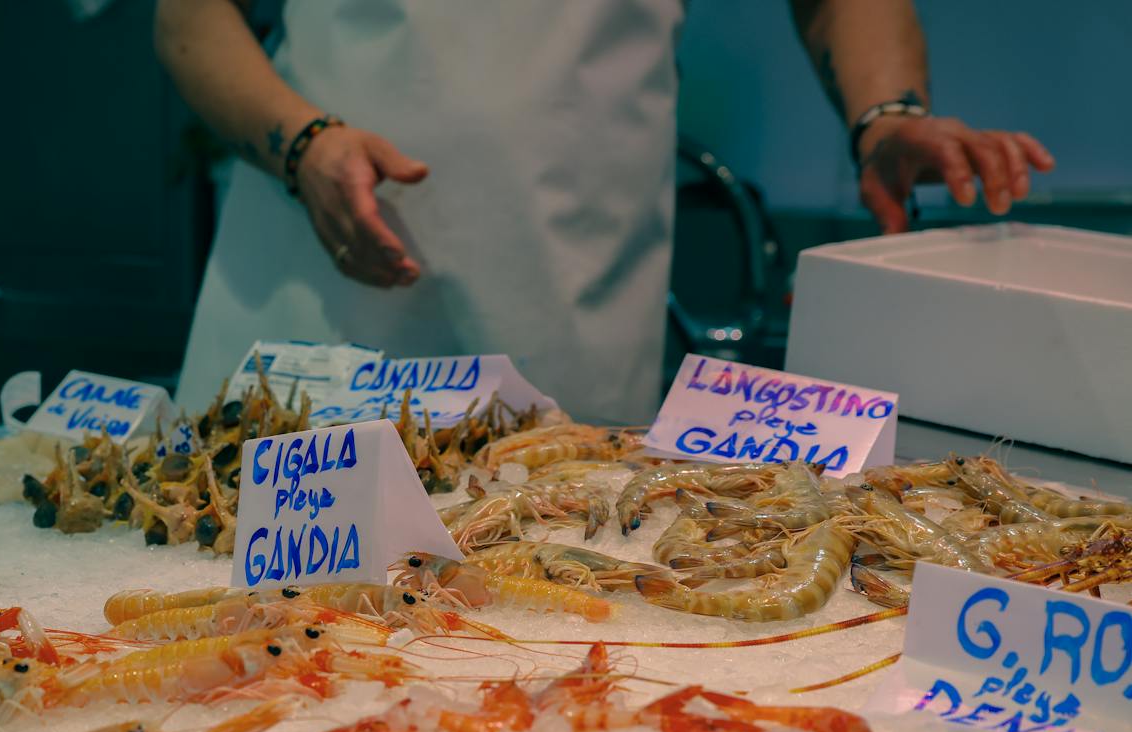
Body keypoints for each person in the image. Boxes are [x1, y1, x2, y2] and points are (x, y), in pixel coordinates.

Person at [157, 0, 1055, 423]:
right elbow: (190, 16)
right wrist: (302, 144)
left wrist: (883, 117)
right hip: (312, 306)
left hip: (566, 326)